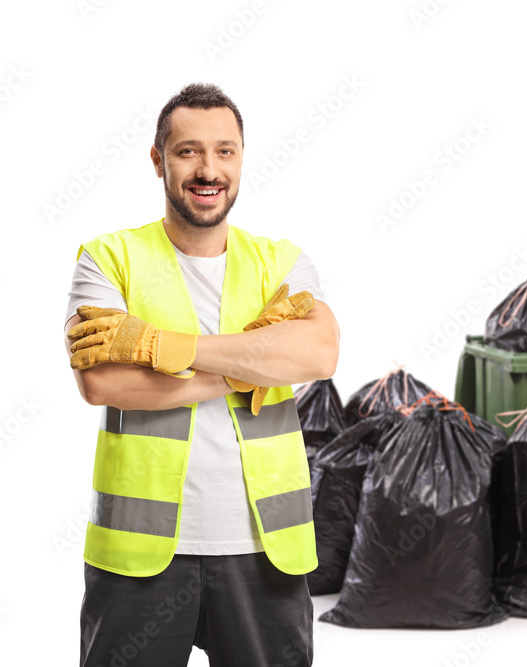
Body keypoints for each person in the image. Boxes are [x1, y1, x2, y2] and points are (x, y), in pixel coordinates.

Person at [62, 83, 340, 667]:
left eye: (225, 151)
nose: (208, 169)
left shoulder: (282, 262)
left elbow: (318, 353)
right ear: (159, 160)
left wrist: (161, 345)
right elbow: (103, 384)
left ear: (241, 158)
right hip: (138, 558)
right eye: (188, 151)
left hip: (265, 552)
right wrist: (248, 365)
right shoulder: (108, 258)